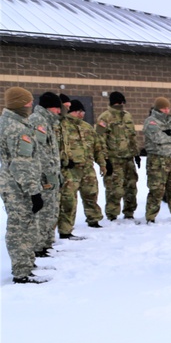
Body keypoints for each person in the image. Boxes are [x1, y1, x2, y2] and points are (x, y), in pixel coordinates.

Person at [1, 87, 47, 283]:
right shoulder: (16, 128)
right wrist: (34, 192)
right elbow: (22, 163)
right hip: (18, 186)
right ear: (20, 103)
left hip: (14, 183)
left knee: (26, 224)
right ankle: (21, 272)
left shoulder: (12, 123)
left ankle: (27, 264)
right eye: (28, 101)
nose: (31, 105)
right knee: (20, 227)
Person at [58, 99, 107, 239]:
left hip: (87, 167)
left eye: (82, 111)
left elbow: (97, 147)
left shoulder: (87, 127)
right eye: (78, 111)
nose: (81, 114)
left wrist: (102, 163)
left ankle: (94, 219)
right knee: (69, 200)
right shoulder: (62, 126)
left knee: (91, 194)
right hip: (70, 169)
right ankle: (65, 229)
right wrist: (63, 160)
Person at [96, 91, 139, 221]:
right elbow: (100, 140)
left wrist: (136, 154)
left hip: (128, 158)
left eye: (121, 102)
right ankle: (112, 215)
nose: (120, 105)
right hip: (114, 159)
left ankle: (129, 212)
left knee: (131, 186)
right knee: (115, 189)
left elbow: (132, 136)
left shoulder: (127, 116)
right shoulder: (105, 118)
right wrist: (105, 160)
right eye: (118, 102)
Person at [29, 92, 63, 256]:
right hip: (43, 176)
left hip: (51, 174)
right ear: (50, 107)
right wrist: (49, 173)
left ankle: (46, 243)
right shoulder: (38, 121)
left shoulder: (48, 122)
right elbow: (40, 151)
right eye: (57, 108)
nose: (59, 112)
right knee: (44, 212)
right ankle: (39, 246)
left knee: (51, 210)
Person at [142, 97, 171, 223]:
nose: (166, 110)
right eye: (163, 108)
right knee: (157, 190)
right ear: (157, 109)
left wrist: (170, 133)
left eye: (168, 108)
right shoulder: (151, 122)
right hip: (157, 160)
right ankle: (151, 217)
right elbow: (158, 138)